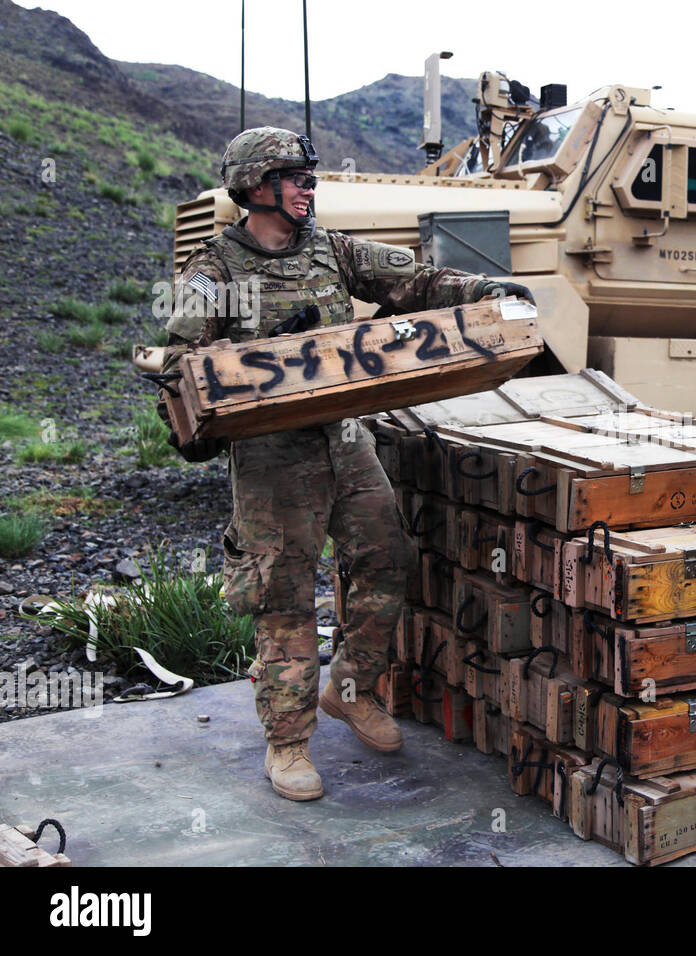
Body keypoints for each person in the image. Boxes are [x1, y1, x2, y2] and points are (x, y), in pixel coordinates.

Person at [159, 127, 533, 801]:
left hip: (344, 437)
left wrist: (489, 289)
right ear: (257, 186)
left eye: (310, 178)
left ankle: (350, 687)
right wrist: (223, 402)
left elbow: (415, 279)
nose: (310, 188)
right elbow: (177, 376)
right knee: (283, 597)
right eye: (297, 178)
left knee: (386, 559)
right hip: (272, 456)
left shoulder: (330, 250)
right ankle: (288, 743)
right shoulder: (212, 273)